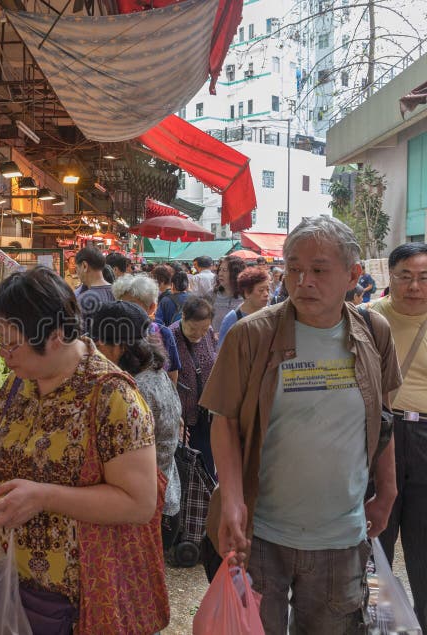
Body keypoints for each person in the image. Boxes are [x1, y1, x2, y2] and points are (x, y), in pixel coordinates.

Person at [0, 267, 168, 634]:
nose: (3, 354)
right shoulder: (19, 383)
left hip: (71, 595)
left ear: (58, 335)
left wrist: (45, 497)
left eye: (12, 343)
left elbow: (139, 502)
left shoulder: (113, 398)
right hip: (3, 573)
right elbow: (8, 450)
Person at [202, 215, 401, 634]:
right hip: (262, 533)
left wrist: (388, 491)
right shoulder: (251, 335)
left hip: (341, 535)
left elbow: (383, 419)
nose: (303, 281)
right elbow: (224, 421)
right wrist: (234, 500)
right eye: (293, 269)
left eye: (318, 270)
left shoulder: (373, 332)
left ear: (353, 274)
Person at [366, 242, 427, 631]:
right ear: (391, 275)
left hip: (425, 435)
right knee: (374, 541)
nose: (415, 286)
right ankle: (376, 623)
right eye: (405, 276)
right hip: (378, 435)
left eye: (424, 278)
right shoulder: (368, 319)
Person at [90, 300, 182, 520]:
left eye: (100, 344)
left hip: (149, 506)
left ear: (120, 347)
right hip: (166, 494)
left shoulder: (134, 390)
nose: (97, 352)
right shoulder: (156, 373)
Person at [171, 296, 218, 479]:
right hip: (183, 418)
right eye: (193, 328)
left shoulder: (208, 333)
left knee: (207, 463)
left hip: (206, 413)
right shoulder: (170, 337)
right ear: (183, 316)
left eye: (204, 329)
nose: (198, 334)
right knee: (188, 468)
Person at [112, 273, 182, 384]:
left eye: (132, 305)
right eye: (122, 303)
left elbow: (172, 374)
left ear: (151, 307)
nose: (125, 309)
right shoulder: (111, 335)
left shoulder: (163, 333)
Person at [217, 267, 270, 345]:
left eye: (268, 290)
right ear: (247, 293)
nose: (266, 294)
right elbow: (223, 351)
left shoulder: (271, 313)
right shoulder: (232, 318)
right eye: (261, 290)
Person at [75, 246, 114, 330]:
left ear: (84, 266)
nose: (77, 273)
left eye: (77, 268)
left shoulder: (84, 299)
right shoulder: (117, 292)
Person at [211, 255, 246, 333]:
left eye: (224, 270)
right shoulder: (211, 295)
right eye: (220, 270)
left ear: (236, 273)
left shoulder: (247, 297)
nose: (220, 273)